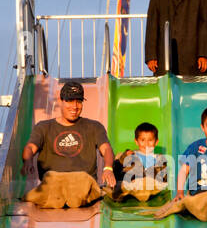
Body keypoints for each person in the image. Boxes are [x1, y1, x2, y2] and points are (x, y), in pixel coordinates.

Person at [21, 79, 116, 207]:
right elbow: (30, 147)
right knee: (51, 179)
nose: (75, 106)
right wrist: (27, 161)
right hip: (54, 182)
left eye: (79, 101)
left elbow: (106, 149)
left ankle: (70, 199)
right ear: (60, 101)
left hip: (82, 182)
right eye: (69, 101)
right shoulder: (44, 127)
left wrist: (108, 168)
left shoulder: (94, 127)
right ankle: (63, 199)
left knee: (83, 180)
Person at [114, 121, 169, 199]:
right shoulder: (132, 155)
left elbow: (163, 178)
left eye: (150, 140)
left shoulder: (159, 159)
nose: (146, 144)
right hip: (131, 183)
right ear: (136, 141)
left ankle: (135, 190)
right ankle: (123, 191)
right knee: (120, 159)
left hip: (149, 186)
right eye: (142, 140)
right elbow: (117, 168)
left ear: (156, 142)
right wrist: (124, 156)